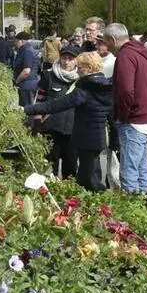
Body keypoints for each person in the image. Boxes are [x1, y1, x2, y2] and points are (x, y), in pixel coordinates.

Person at [25, 52, 113, 191]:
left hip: (85, 138)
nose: (77, 70)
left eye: (80, 67)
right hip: (99, 138)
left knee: (86, 179)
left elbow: (56, 105)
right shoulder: (106, 87)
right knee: (93, 174)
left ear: (88, 68)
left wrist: (27, 110)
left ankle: (94, 205)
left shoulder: (85, 88)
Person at [112, 28, 147, 194]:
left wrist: (123, 115)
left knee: (129, 172)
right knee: (140, 171)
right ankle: (145, 208)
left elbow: (125, 90)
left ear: (112, 39)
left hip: (135, 119)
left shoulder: (126, 55)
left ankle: (133, 213)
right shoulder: (145, 55)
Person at [37, 45, 81, 179]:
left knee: (71, 169)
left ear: (76, 61)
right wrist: (37, 121)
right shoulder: (48, 75)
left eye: (70, 59)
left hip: (72, 131)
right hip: (51, 129)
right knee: (49, 169)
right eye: (64, 58)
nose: (66, 62)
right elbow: (40, 100)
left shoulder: (81, 79)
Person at [11, 32, 40, 106]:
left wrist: (17, 81)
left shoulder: (27, 51)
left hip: (27, 87)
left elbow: (26, 71)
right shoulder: (24, 50)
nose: (15, 43)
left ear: (22, 41)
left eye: (16, 41)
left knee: (27, 110)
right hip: (25, 85)